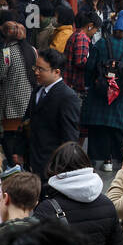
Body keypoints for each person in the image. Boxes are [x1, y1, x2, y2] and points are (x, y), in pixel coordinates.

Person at [80, 10, 123, 173]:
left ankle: (93, 161)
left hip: (99, 92)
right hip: (119, 96)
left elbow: (90, 67)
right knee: (116, 129)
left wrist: (90, 85)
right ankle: (113, 161)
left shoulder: (101, 44)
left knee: (98, 128)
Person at [25, 48, 80, 182]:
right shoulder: (37, 90)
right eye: (35, 68)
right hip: (33, 158)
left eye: (41, 69)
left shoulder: (67, 96)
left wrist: (63, 164)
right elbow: (27, 121)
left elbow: (70, 135)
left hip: (52, 163)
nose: (36, 72)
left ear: (56, 72)